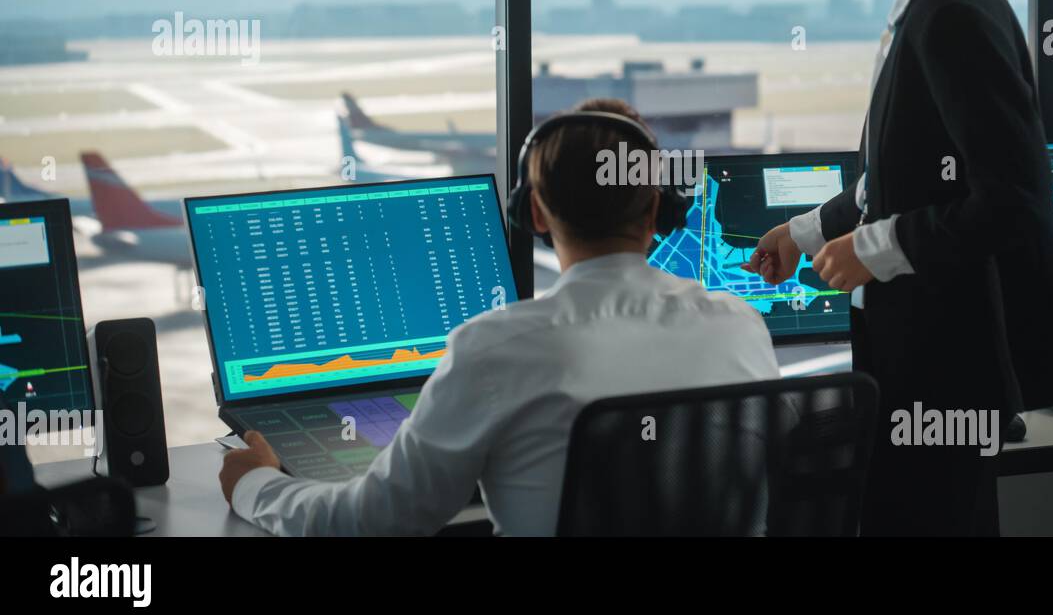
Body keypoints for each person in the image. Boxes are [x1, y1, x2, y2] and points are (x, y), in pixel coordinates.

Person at [745, 0, 1053, 536]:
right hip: (922, 369)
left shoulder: (953, 12)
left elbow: (1013, 200)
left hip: (946, 374)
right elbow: (896, 183)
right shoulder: (931, 4)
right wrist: (808, 232)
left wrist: (870, 252)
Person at [219, 98, 780, 536]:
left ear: (532, 212)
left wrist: (257, 486)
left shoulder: (495, 350)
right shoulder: (740, 327)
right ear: (659, 207)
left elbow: (371, 521)